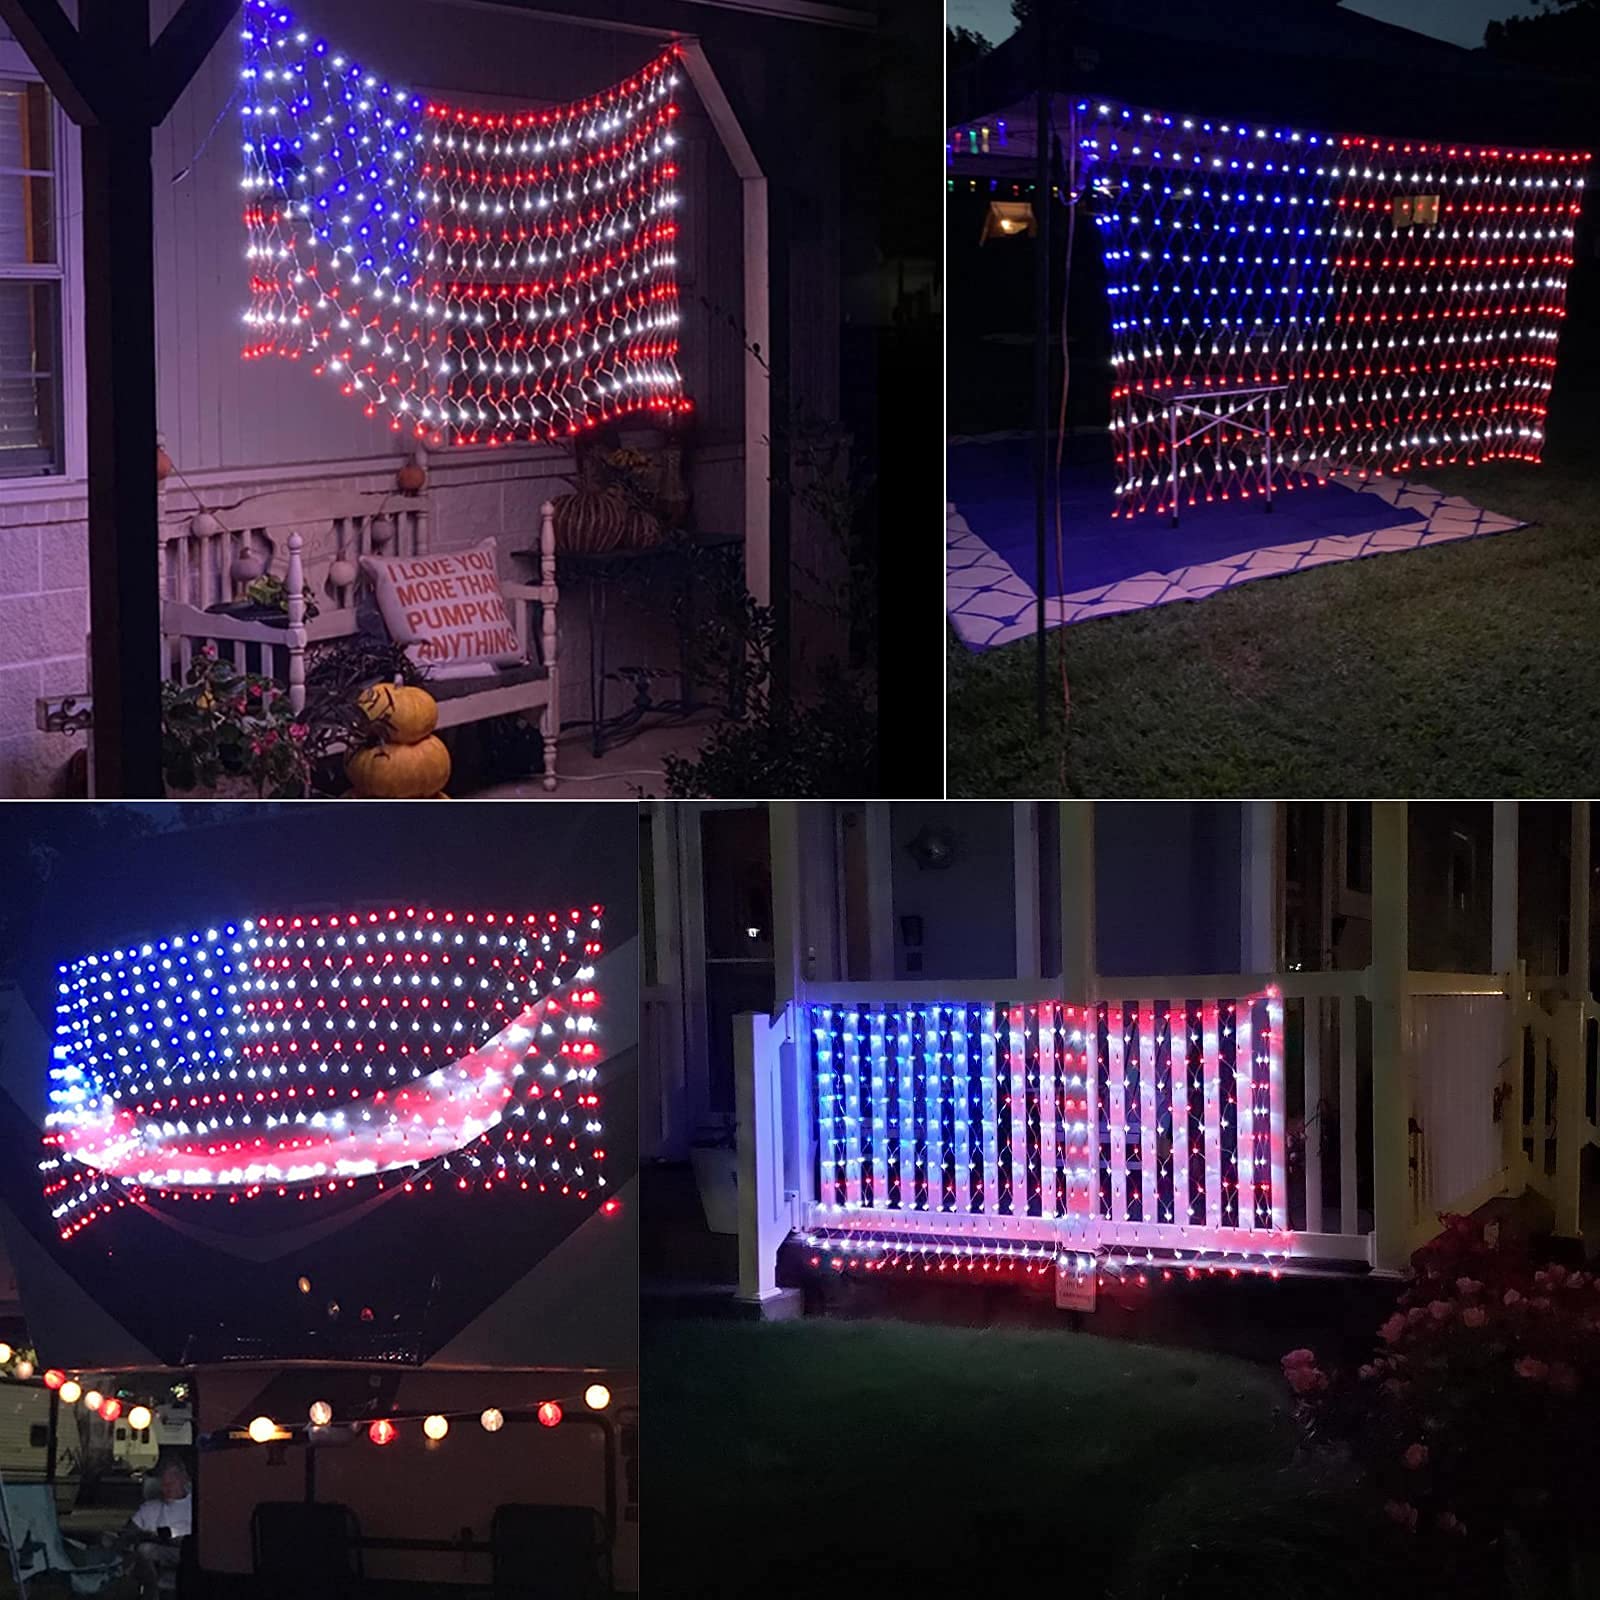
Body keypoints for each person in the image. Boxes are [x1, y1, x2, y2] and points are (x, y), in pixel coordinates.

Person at [121, 1458, 191, 1599]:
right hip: (154, 1560)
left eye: (171, 1484)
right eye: (163, 1484)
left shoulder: (196, 1507)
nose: (166, 1489)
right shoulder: (150, 1508)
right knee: (144, 1550)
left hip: (186, 1553)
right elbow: (127, 1534)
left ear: (183, 1480)